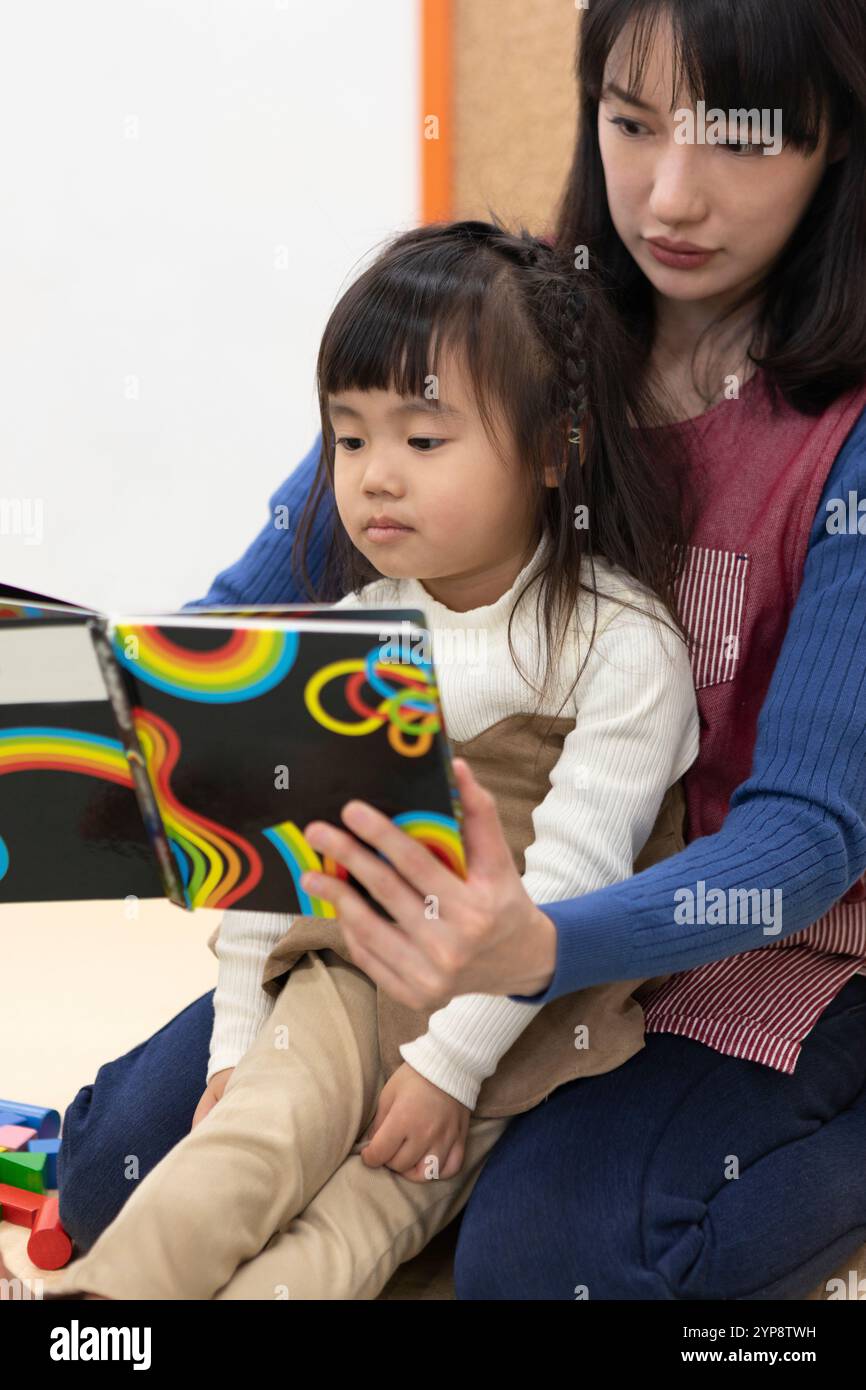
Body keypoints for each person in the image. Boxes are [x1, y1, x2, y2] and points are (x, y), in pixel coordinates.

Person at [55, 0, 866, 1300]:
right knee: (119, 1172)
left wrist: (531, 951)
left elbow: (810, 837)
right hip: (446, 920)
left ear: (837, 139)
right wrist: (94, 701)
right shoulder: (503, 329)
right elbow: (248, 617)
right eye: (628, 121)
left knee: (557, 1266)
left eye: (738, 140)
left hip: (759, 948)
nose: (667, 190)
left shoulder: (843, 437)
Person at [44, 219, 698, 1298]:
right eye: (349, 440)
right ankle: (100, 1312)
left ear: (550, 448)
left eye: (422, 440)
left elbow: (569, 881)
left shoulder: (617, 646)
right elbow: (268, 874)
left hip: (511, 1033)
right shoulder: (344, 631)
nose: (374, 477)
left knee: (360, 1223)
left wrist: (447, 1067)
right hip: (346, 981)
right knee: (242, 1149)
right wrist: (236, 1050)